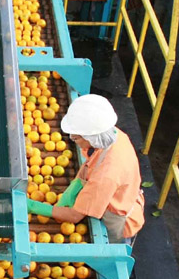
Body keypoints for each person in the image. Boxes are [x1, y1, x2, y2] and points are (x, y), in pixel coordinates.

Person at [26, 94, 145, 244]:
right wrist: (75, 186)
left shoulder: (106, 175)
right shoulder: (114, 135)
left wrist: (33, 206)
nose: (73, 141)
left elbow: (75, 216)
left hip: (117, 220)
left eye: (75, 138)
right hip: (120, 194)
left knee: (110, 256)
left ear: (90, 137)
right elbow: (93, 160)